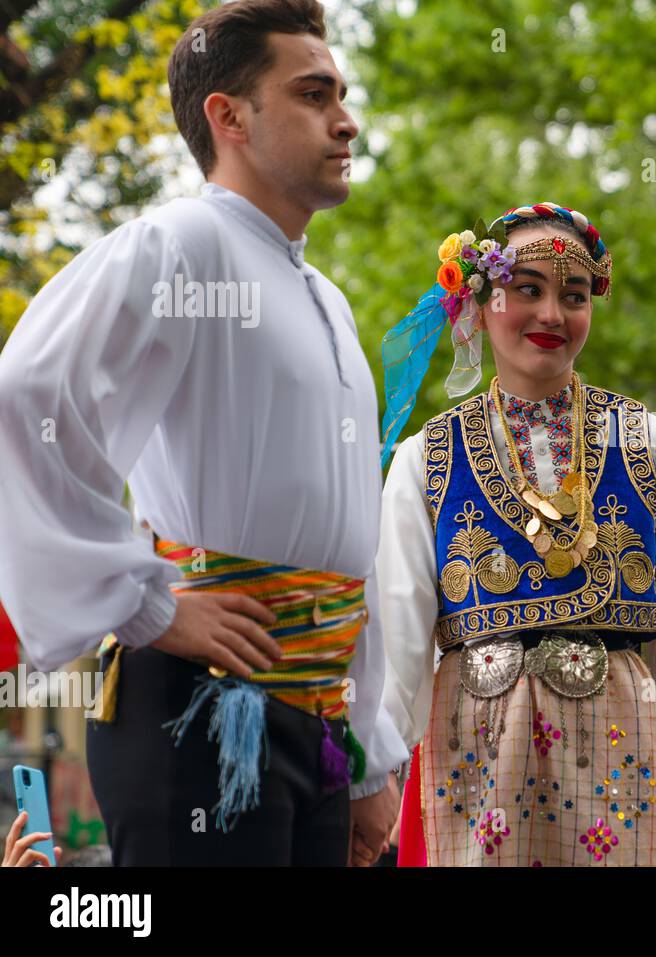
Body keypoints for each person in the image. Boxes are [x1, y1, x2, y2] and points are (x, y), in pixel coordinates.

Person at [0, 0, 406, 865]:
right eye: (314, 94)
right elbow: (26, 396)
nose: (346, 120)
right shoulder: (181, 244)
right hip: (200, 706)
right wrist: (145, 606)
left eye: (341, 94)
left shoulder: (328, 299)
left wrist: (368, 759)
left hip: (319, 722)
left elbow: (351, 538)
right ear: (230, 117)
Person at [376, 201, 656, 865]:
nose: (552, 314)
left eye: (573, 295)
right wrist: (377, 777)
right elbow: (400, 644)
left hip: (622, 745)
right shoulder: (424, 458)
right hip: (472, 754)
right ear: (479, 303)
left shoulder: (652, 443)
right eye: (527, 290)